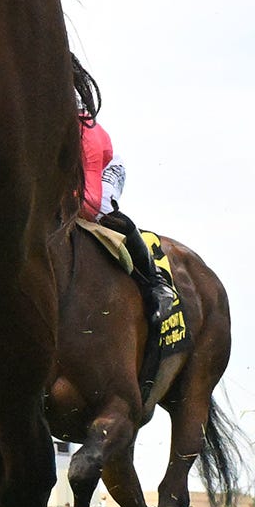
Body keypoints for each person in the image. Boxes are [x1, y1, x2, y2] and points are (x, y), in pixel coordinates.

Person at [78, 106, 183, 337]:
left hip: (104, 170)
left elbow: (90, 202)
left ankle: (157, 283)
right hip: (76, 175)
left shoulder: (86, 134)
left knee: (102, 212)